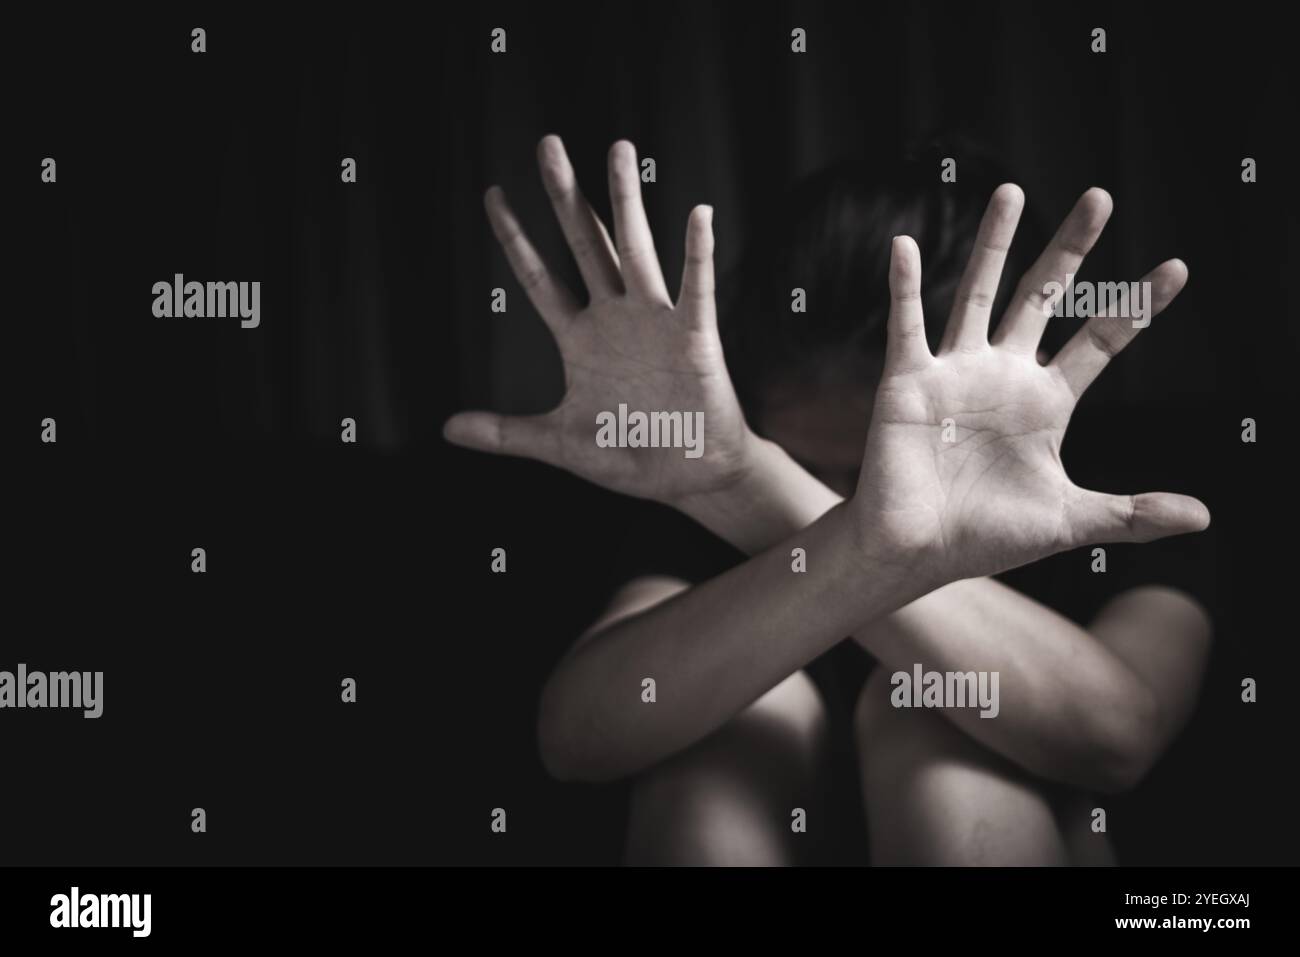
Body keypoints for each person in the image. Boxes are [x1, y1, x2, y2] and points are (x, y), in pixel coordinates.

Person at [444, 135, 1213, 865]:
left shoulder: (1102, 491)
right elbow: (575, 738)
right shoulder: (686, 485)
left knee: (928, 726)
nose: (855, 497)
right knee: (726, 748)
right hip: (757, 814)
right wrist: (740, 482)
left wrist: (756, 486)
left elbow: (1116, 737)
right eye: (809, 466)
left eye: (876, 468)